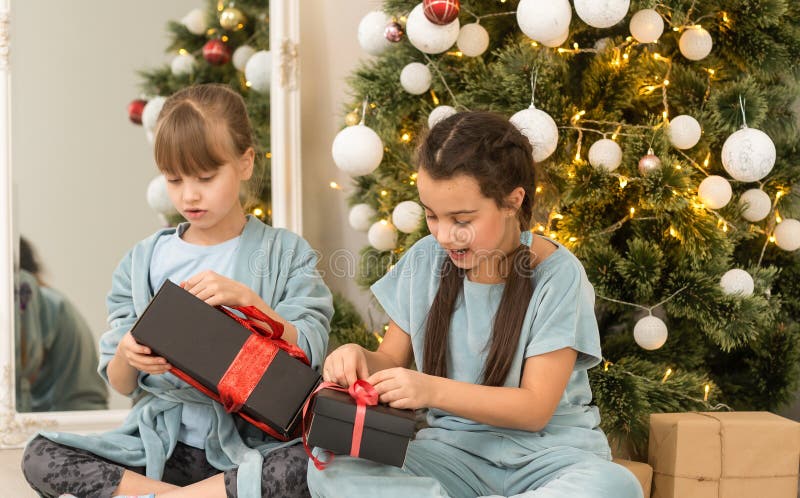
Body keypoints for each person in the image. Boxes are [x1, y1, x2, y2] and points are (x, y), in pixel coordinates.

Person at [21, 83, 333, 498]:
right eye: (173, 179)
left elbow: (312, 350)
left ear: (245, 163)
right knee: (39, 454)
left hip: (246, 450)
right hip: (160, 448)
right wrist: (128, 353)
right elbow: (121, 383)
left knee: (312, 465)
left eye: (206, 177)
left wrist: (253, 304)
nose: (189, 194)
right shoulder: (142, 261)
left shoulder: (285, 252)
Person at [308, 112, 642, 498]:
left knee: (615, 486)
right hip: (449, 455)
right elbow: (388, 359)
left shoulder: (559, 275)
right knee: (330, 466)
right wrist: (357, 358)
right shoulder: (425, 260)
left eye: (462, 219)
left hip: (551, 460)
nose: (444, 235)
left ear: (512, 201)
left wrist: (430, 390)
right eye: (432, 216)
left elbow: (534, 409)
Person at [15, 237, 109, 412]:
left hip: (65, 414)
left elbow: (25, 368)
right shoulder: (53, 299)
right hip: (82, 411)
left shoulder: (31, 296)